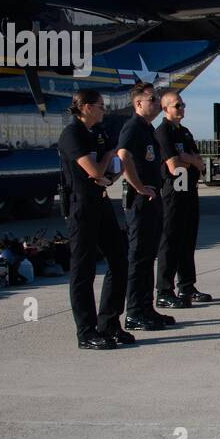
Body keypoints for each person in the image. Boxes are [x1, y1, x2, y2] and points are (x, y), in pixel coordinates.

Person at [56, 89, 131, 350]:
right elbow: (95, 169)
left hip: (100, 201)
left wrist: (109, 170)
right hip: (81, 207)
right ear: (85, 107)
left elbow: (106, 174)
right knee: (83, 270)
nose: (103, 110)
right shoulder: (72, 135)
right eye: (100, 106)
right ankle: (86, 332)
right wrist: (109, 157)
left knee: (119, 259)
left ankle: (109, 322)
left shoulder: (97, 133)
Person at [116, 82, 173, 332]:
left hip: (153, 199)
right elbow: (123, 155)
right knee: (138, 258)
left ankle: (146, 308)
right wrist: (138, 186)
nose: (157, 103)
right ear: (138, 103)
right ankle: (135, 312)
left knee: (149, 255)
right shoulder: (133, 127)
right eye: (152, 99)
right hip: (139, 201)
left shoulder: (147, 129)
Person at [154, 89, 211, 308]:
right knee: (170, 241)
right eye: (177, 105)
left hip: (189, 190)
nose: (182, 108)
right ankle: (164, 290)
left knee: (188, 239)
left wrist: (189, 159)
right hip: (173, 192)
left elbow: (200, 162)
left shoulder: (184, 132)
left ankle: (187, 285)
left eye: (183, 104)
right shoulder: (163, 132)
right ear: (165, 108)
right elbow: (174, 165)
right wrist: (190, 160)